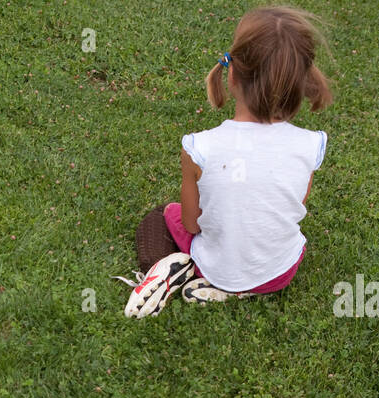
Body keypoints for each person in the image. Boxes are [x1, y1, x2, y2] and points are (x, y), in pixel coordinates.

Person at [120, 6, 333, 317]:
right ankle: (238, 290)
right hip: (280, 272)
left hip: (218, 264)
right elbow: (294, 203)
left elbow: (192, 223)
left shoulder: (199, 147)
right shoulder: (310, 144)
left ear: (232, 74)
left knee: (162, 216)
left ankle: (170, 269)